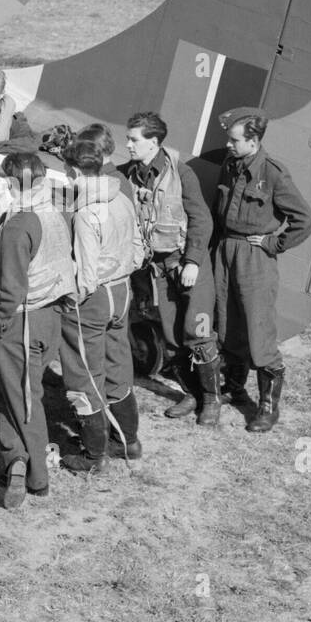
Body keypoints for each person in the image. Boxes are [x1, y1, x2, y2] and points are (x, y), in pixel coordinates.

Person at [0, 152, 76, 508]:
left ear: (11, 183)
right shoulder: (55, 213)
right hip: (50, 317)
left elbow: (12, 286)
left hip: (20, 320)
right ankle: (14, 461)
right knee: (13, 393)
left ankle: (37, 477)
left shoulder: (19, 223)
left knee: (24, 400)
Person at [212, 107, 311, 433]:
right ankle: (234, 386)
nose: (228, 145)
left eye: (234, 140)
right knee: (228, 323)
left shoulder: (272, 174)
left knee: (259, 330)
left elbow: (305, 219)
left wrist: (273, 244)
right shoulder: (231, 164)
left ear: (253, 141)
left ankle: (267, 407)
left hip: (254, 258)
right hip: (226, 251)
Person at [122, 111, 222, 427]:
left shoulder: (180, 172)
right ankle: (191, 393)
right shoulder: (132, 173)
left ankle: (211, 400)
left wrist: (192, 261)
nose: (128, 145)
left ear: (153, 142)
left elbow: (201, 220)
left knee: (198, 332)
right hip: (159, 268)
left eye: (133, 139)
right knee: (171, 332)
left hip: (187, 264)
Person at [59, 133, 146, 471]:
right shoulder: (120, 197)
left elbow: (86, 275)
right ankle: (128, 441)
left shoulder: (85, 214)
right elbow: (138, 248)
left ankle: (94, 454)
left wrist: (69, 302)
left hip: (94, 300)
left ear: (75, 172)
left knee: (83, 372)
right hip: (122, 291)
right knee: (117, 363)